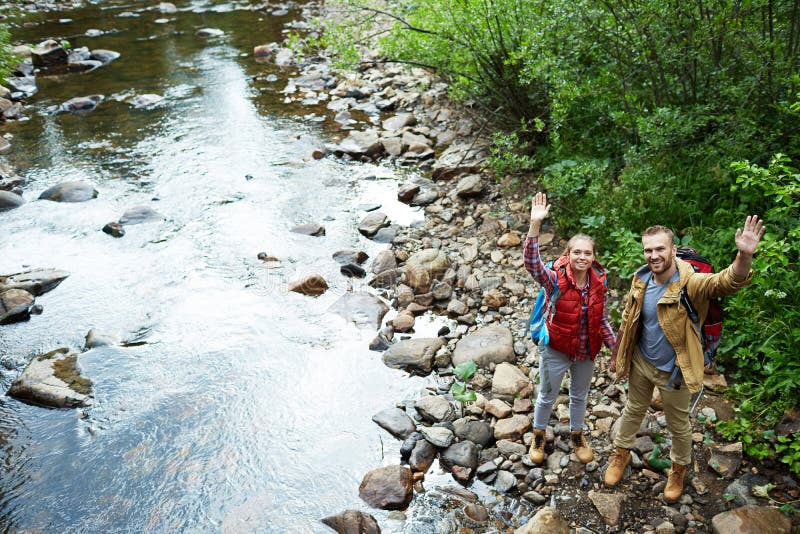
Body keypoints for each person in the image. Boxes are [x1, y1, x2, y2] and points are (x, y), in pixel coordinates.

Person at [604, 215, 765, 503]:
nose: (654, 255)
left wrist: (744, 254)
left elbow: (726, 282)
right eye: (648, 250)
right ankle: (621, 453)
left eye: (660, 249)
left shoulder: (691, 283)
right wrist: (617, 352)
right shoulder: (640, 278)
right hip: (641, 361)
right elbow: (629, 317)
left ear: (673, 250)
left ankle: (678, 469)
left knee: (678, 424)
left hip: (675, 370)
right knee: (633, 409)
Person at [524, 192, 617, 465]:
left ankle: (577, 434)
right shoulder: (554, 279)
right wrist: (535, 225)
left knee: (579, 396)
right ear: (568, 254)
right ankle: (538, 434)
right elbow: (532, 265)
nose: (582, 256)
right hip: (557, 348)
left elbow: (601, 321)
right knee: (547, 395)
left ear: (593, 257)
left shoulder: (600, 283)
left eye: (587, 253)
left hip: (586, 351)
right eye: (577, 252)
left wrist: (615, 350)